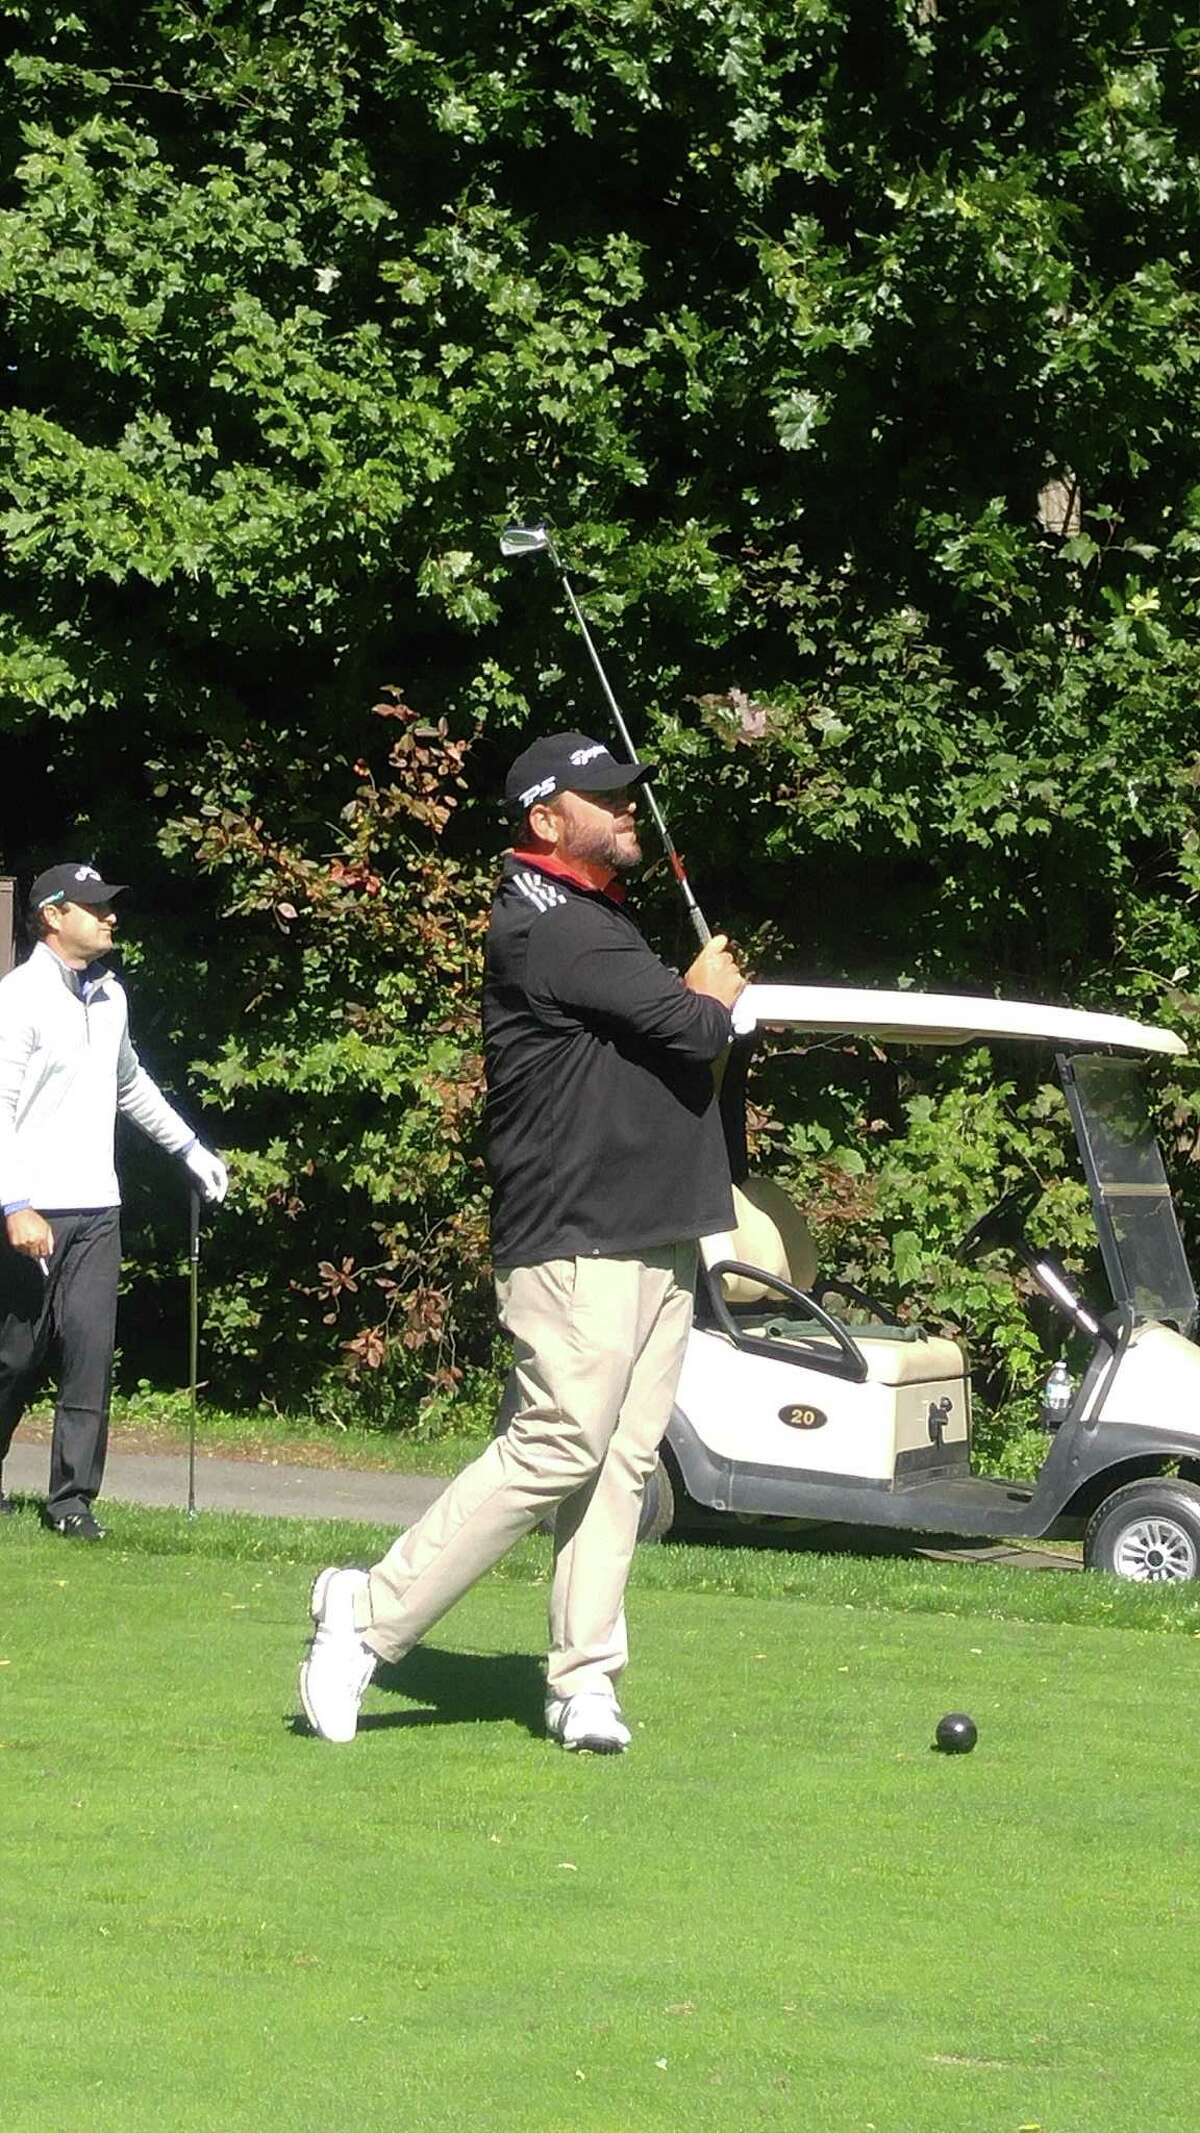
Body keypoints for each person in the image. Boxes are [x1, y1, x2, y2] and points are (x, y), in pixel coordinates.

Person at [300, 731, 745, 1752]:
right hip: (579, 1234)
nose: (628, 810)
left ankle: (583, 1680)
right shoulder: (555, 929)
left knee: (621, 1467)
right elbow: (696, 1032)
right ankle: (365, 1619)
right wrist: (706, 994)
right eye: (606, 799)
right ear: (548, 820)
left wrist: (693, 999)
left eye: (631, 796)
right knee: (561, 1444)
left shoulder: (596, 920)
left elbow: (674, 1037)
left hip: (655, 1231)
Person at [0, 862, 228, 1538]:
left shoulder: (111, 997)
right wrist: (14, 1205)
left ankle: (71, 1500)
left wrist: (191, 1150)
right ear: (52, 915)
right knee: (14, 1356)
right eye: (95, 907)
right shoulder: (19, 998)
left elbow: (131, 1085)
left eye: (110, 905)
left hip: (98, 1207)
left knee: (91, 1355)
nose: (110, 916)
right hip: (32, 1210)